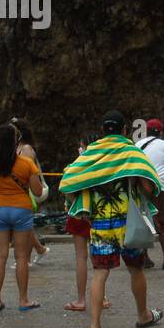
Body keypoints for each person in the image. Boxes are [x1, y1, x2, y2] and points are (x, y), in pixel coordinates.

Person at [59, 110, 164, 328]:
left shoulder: (92, 154)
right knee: (135, 268)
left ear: (102, 131)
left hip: (101, 224)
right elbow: (149, 187)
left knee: (100, 273)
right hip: (130, 223)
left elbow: (69, 181)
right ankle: (143, 315)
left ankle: (95, 327)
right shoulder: (131, 153)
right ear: (124, 130)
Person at [0, 123, 44, 313]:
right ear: (17, 141)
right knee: (22, 256)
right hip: (21, 210)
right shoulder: (26, 164)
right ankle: (23, 300)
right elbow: (38, 191)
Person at [63, 133, 110, 313]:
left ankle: (81, 300)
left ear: (82, 146)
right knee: (98, 258)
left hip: (78, 215)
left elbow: (68, 192)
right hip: (98, 214)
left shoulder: (75, 166)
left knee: (80, 257)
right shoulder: (103, 166)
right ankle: (102, 298)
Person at [136, 118, 164, 270]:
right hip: (158, 189)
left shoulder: (137, 145)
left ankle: (145, 258)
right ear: (161, 132)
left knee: (143, 222)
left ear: (146, 131)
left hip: (141, 188)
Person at [11, 118, 49, 266]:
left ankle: (27, 258)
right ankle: (39, 249)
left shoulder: (26, 149)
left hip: (25, 191)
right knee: (24, 226)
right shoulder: (12, 148)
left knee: (23, 227)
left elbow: (28, 172)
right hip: (15, 192)